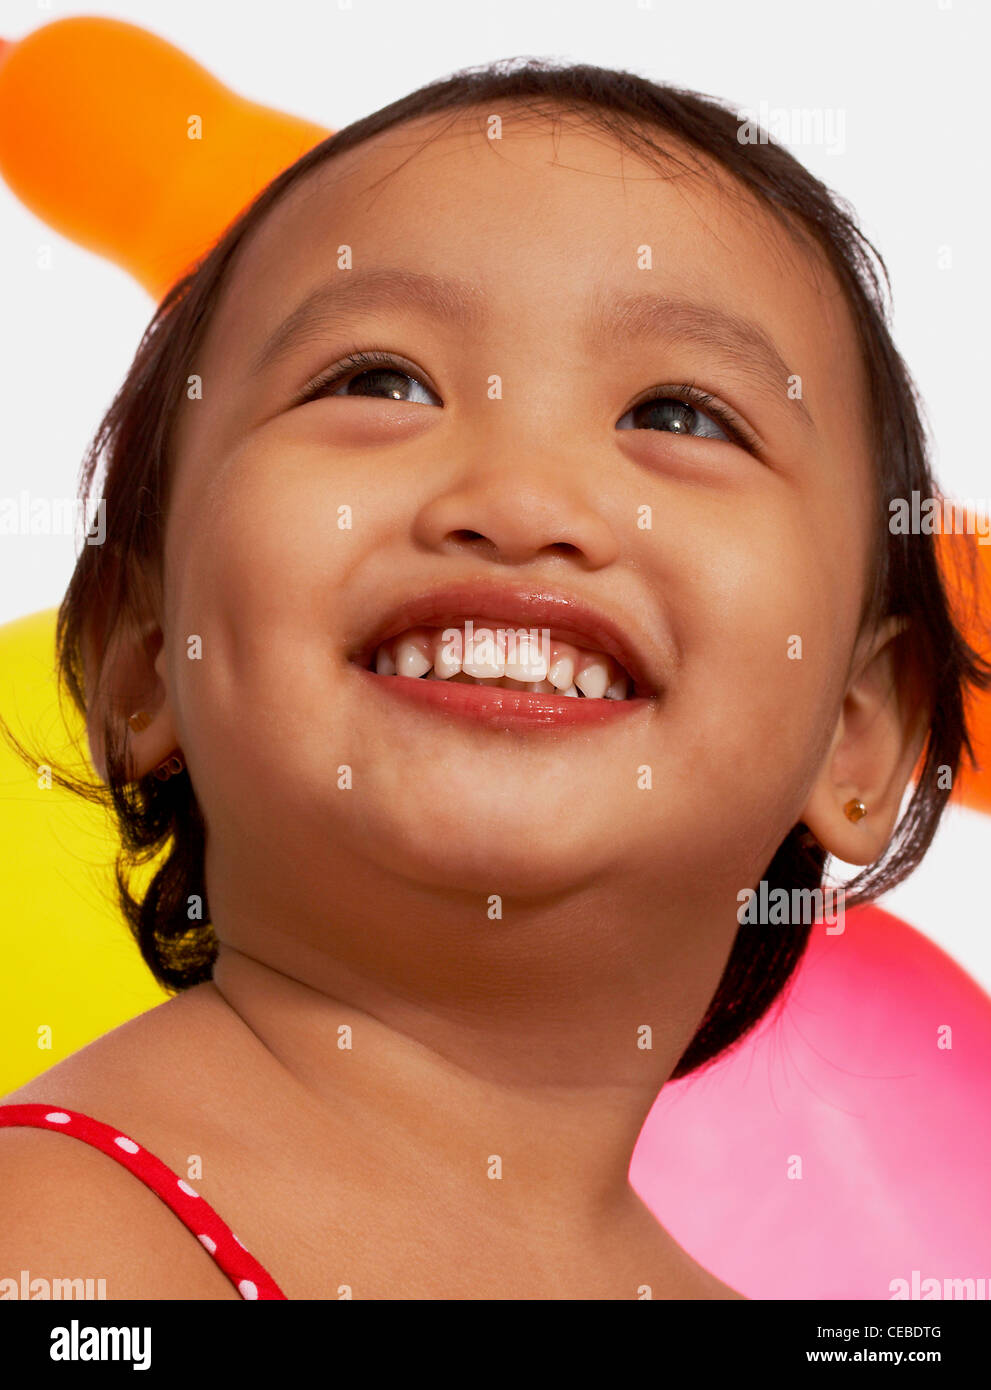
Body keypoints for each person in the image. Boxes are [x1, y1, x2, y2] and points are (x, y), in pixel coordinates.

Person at [0, 60, 985, 1300]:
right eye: (378, 382)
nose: (520, 499)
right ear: (142, 658)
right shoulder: (55, 1253)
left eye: (679, 416)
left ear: (858, 733)